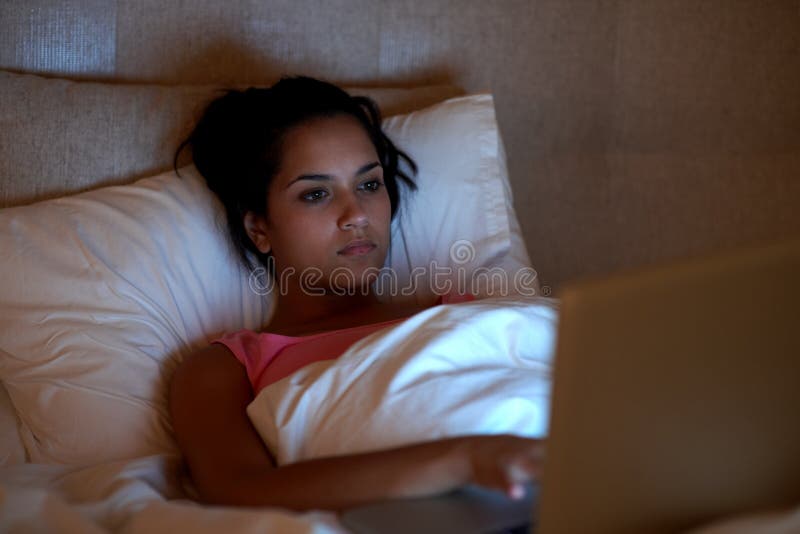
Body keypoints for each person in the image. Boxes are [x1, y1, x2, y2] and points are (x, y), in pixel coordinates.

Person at [169, 76, 544, 511]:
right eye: (315, 194)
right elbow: (238, 491)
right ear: (260, 228)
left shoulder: (468, 312)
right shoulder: (223, 372)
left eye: (369, 185)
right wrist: (464, 459)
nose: (356, 215)